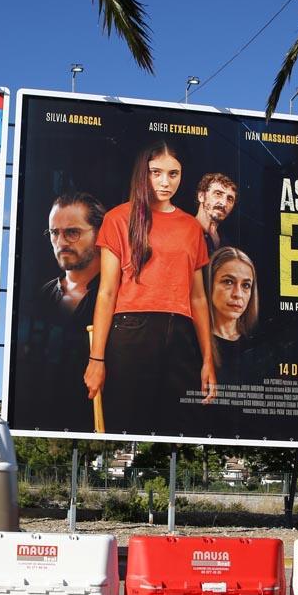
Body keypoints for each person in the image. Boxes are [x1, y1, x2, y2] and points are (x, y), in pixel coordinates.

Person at [84, 141, 217, 435]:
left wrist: (208, 360)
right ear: (142, 173)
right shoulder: (118, 218)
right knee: (128, 425)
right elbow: (106, 292)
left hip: (181, 335)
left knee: (178, 430)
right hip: (132, 331)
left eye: (173, 174)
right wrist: (96, 359)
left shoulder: (191, 227)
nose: (165, 182)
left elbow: (198, 298)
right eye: (156, 172)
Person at [16, 192, 106, 430]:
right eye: (54, 233)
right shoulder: (39, 297)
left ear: (100, 233)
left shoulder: (122, 296)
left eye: (72, 232)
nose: (61, 242)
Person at [206, 246, 259, 388]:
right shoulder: (191, 342)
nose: (238, 294)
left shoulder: (258, 345)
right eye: (228, 282)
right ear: (209, 284)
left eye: (246, 285)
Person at [194, 173, 238, 254]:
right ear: (201, 196)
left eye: (230, 199)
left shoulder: (227, 247)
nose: (224, 203)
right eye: (218, 194)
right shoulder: (182, 231)